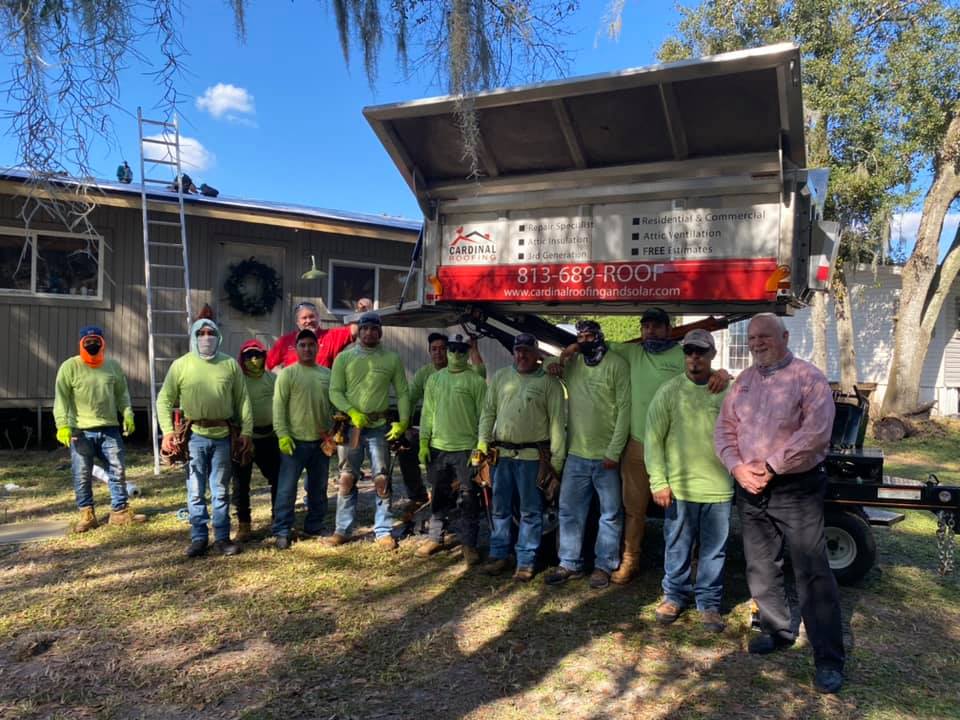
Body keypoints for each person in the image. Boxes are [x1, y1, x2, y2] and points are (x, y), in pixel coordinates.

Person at [714, 313, 844, 694]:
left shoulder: (808, 378)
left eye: (764, 336)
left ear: (785, 337)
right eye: (752, 337)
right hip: (750, 486)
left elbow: (816, 434)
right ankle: (777, 630)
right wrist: (737, 467)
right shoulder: (744, 382)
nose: (756, 343)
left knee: (812, 570)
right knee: (760, 565)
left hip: (796, 486)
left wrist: (771, 465)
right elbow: (724, 429)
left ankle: (828, 659)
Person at [561, 308, 727, 584]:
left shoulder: (683, 355)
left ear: (669, 328)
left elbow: (707, 372)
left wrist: (720, 372)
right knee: (633, 509)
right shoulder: (633, 353)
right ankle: (630, 560)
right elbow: (596, 343)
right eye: (646, 326)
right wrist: (575, 346)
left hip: (676, 449)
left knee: (683, 510)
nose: (650, 331)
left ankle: (690, 562)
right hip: (637, 444)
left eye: (657, 326)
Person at [645, 329, 731, 632]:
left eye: (701, 351)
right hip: (679, 488)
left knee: (713, 550)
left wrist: (728, 375)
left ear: (712, 355)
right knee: (677, 546)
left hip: (718, 488)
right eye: (689, 351)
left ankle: (708, 604)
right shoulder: (668, 392)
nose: (694, 357)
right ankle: (674, 596)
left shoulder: (727, 391)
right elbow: (653, 440)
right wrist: (659, 482)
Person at [544, 320, 630, 589]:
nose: (585, 340)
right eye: (580, 336)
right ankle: (569, 562)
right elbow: (546, 367)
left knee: (610, 514)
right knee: (569, 511)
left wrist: (614, 451)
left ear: (600, 337)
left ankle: (604, 566)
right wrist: (564, 354)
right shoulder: (575, 363)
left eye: (590, 335)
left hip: (606, 456)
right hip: (577, 454)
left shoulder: (616, 364)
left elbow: (625, 411)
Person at [158, 319, 252, 557]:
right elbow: (164, 399)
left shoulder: (230, 365)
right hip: (194, 437)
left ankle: (222, 538)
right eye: (201, 333)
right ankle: (199, 538)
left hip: (223, 436)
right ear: (194, 335)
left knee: (220, 490)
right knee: (195, 490)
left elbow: (243, 400)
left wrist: (247, 432)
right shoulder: (181, 365)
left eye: (211, 333)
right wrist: (168, 431)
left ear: (218, 336)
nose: (206, 337)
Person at [477, 333, 566, 581]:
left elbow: (558, 424)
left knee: (530, 511)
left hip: (532, 457)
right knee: (500, 509)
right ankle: (499, 555)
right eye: (518, 350)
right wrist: (482, 442)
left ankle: (526, 561)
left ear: (537, 354)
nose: (522, 355)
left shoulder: (550, 383)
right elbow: (488, 412)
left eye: (527, 350)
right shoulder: (501, 377)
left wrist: (556, 462)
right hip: (501, 455)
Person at [326, 311, 411, 550]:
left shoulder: (391, 358)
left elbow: (403, 392)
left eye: (374, 328)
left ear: (380, 332)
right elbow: (335, 391)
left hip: (378, 427)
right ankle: (342, 529)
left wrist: (403, 421)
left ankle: (383, 530)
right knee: (346, 477)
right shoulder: (345, 358)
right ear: (359, 331)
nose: (369, 332)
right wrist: (351, 411)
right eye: (365, 328)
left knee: (382, 477)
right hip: (352, 427)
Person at [54, 325, 145, 531]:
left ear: (103, 343)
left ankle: (119, 512)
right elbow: (61, 399)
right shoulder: (69, 367)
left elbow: (122, 394)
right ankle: (87, 515)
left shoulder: (113, 366)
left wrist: (128, 413)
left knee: (117, 470)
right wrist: (62, 426)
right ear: (81, 344)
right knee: (82, 473)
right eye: (88, 342)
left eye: (96, 341)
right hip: (79, 431)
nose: (92, 345)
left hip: (109, 429)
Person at [415, 334, 488, 565]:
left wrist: (482, 444)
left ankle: (469, 543)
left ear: (466, 353)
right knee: (438, 494)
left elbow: (485, 416)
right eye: (452, 350)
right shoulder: (435, 380)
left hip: (466, 449)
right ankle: (436, 537)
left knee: (469, 497)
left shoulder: (475, 380)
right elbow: (427, 413)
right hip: (438, 448)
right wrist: (424, 442)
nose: (456, 354)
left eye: (460, 350)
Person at [399, 333, 486, 515]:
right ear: (430, 352)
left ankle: (462, 521)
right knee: (407, 447)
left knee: (466, 488)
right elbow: (411, 399)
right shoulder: (427, 375)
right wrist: (403, 424)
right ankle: (418, 496)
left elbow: (481, 373)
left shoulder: (469, 375)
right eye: (434, 349)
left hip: (463, 441)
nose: (439, 353)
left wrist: (473, 348)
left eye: (443, 349)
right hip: (435, 438)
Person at [271, 329, 334, 549]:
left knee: (318, 488)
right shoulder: (287, 375)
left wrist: (334, 432)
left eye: (311, 345)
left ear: (317, 348)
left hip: (320, 443)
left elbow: (334, 405)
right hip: (294, 442)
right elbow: (278, 408)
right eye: (303, 345)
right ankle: (282, 529)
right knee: (287, 490)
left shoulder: (327, 374)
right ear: (296, 348)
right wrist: (283, 435)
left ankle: (314, 525)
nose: (307, 349)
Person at [231, 339, 281, 542]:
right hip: (244, 439)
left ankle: (278, 520)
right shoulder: (238, 381)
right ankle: (244, 524)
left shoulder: (272, 379)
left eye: (257, 355)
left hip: (269, 437)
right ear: (242, 359)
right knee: (241, 484)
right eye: (249, 356)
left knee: (277, 479)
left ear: (264, 357)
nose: (253, 360)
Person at [266, 301, 357, 371]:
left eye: (312, 316)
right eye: (304, 318)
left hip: (321, 393)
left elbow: (354, 330)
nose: (309, 321)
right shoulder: (285, 341)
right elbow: (266, 364)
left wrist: (362, 312)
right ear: (297, 322)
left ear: (318, 318)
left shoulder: (331, 336)